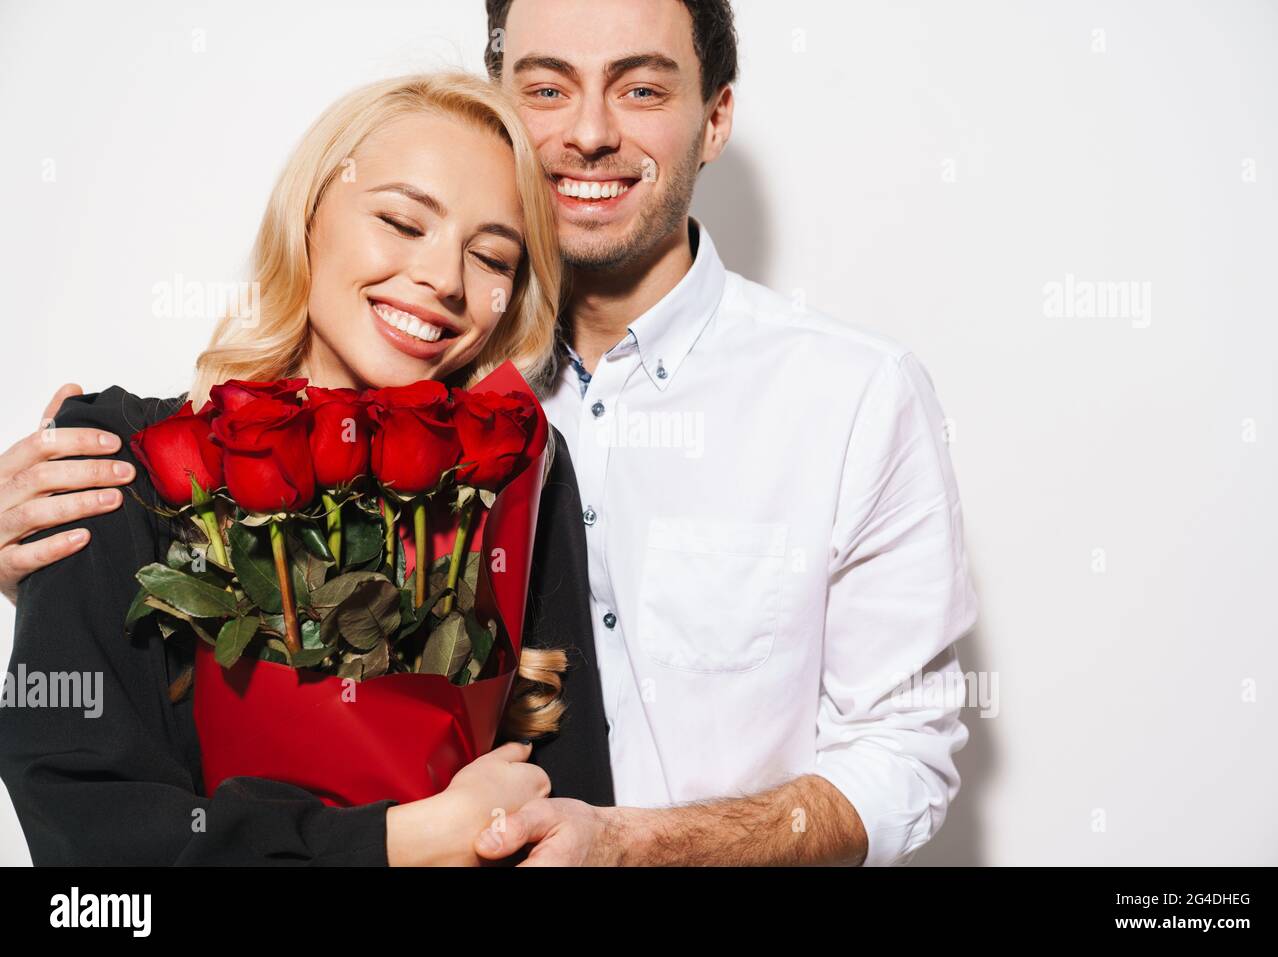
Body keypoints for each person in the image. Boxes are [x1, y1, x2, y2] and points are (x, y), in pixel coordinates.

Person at [1, 0, 978, 869]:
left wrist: (633, 843)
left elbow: (898, 755)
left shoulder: (837, 398)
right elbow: (96, 829)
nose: (589, 130)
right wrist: (65, 573)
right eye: (547, 86)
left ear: (713, 115)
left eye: (641, 87)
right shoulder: (138, 457)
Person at [0, 71, 613, 865]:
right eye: (400, 220)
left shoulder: (516, 475)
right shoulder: (121, 459)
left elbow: (568, 801)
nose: (446, 279)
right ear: (309, 215)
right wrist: (397, 842)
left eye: (491, 256)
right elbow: (93, 843)